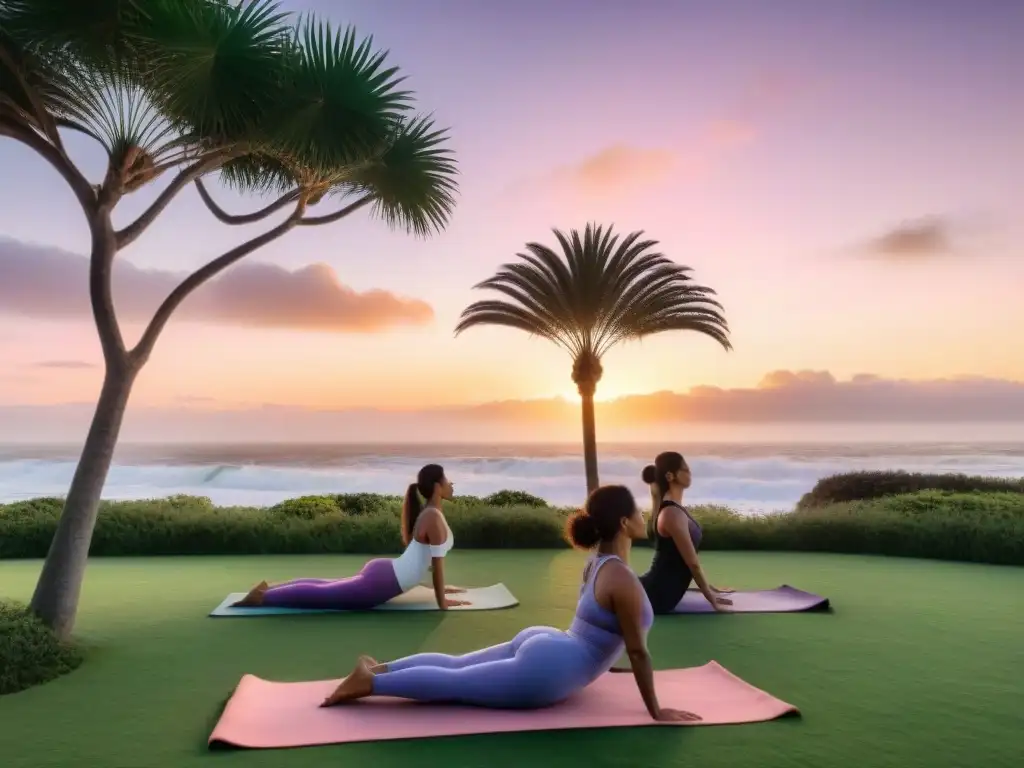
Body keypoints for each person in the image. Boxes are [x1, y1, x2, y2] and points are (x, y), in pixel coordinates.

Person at [319, 484, 701, 723]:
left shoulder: (599, 563)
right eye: (637, 512)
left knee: (457, 667)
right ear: (623, 522)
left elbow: (599, 626)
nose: (642, 517)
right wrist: (656, 711)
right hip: (551, 666)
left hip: (551, 645)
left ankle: (380, 668)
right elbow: (638, 652)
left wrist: (605, 662)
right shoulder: (623, 578)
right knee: (457, 682)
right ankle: (372, 681)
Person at [232, 464, 467, 610]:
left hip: (386, 573)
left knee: (329, 586)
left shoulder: (432, 514)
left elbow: (421, 563)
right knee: (325, 594)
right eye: (447, 480)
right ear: (437, 486)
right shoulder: (433, 517)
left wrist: (443, 588)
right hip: (383, 581)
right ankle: (263, 597)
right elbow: (435, 566)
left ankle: (268, 588)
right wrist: (442, 603)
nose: (452, 484)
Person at [637, 451, 734, 615]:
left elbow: (685, 563)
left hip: (661, 592)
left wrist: (712, 589)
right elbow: (692, 564)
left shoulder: (676, 509)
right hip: (657, 596)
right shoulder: (671, 514)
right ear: (670, 476)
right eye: (685, 469)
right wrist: (712, 600)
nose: (690, 473)